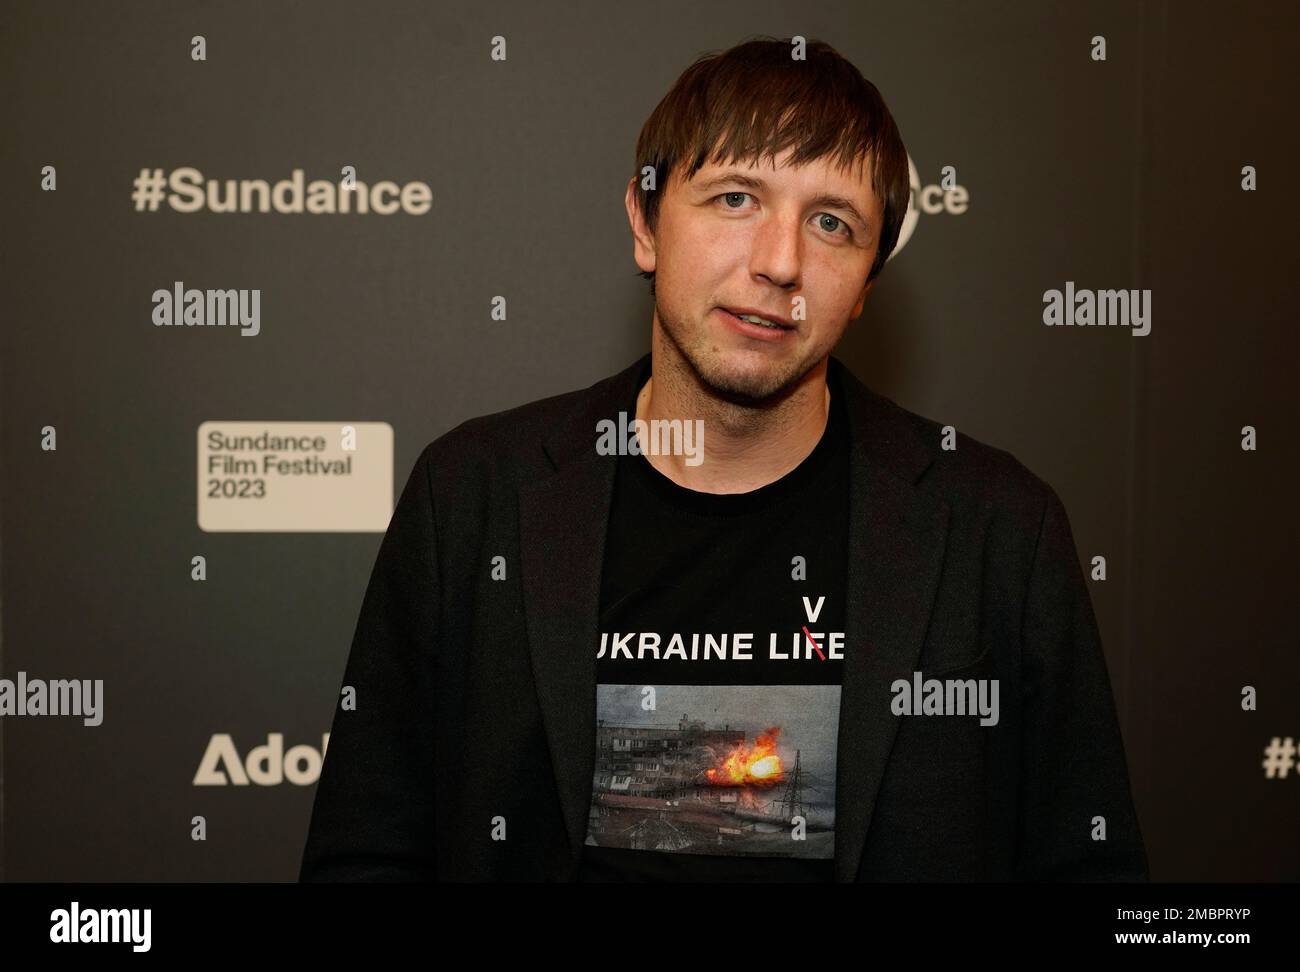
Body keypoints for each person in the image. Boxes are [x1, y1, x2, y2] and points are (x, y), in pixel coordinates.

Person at [299, 36, 1148, 882]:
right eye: (736, 197)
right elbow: (365, 853)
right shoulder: (473, 495)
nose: (781, 263)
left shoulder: (999, 527)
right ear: (644, 221)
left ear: (864, 288)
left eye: (831, 223)